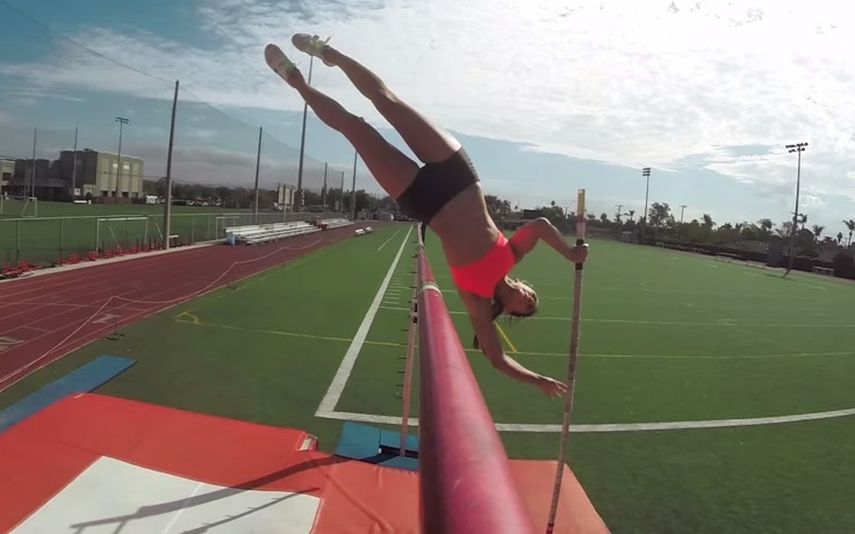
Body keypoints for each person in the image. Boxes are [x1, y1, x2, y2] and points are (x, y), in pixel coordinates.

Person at [265, 35, 588, 397]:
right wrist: (571, 254)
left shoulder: (479, 301)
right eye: (533, 296)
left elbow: (496, 360)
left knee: (355, 129)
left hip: (423, 201)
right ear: (527, 286)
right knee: (387, 100)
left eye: (527, 308)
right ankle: (329, 54)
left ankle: (296, 82)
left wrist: (537, 379)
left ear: (510, 311)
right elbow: (543, 226)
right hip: (457, 174)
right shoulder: (512, 253)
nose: (530, 299)